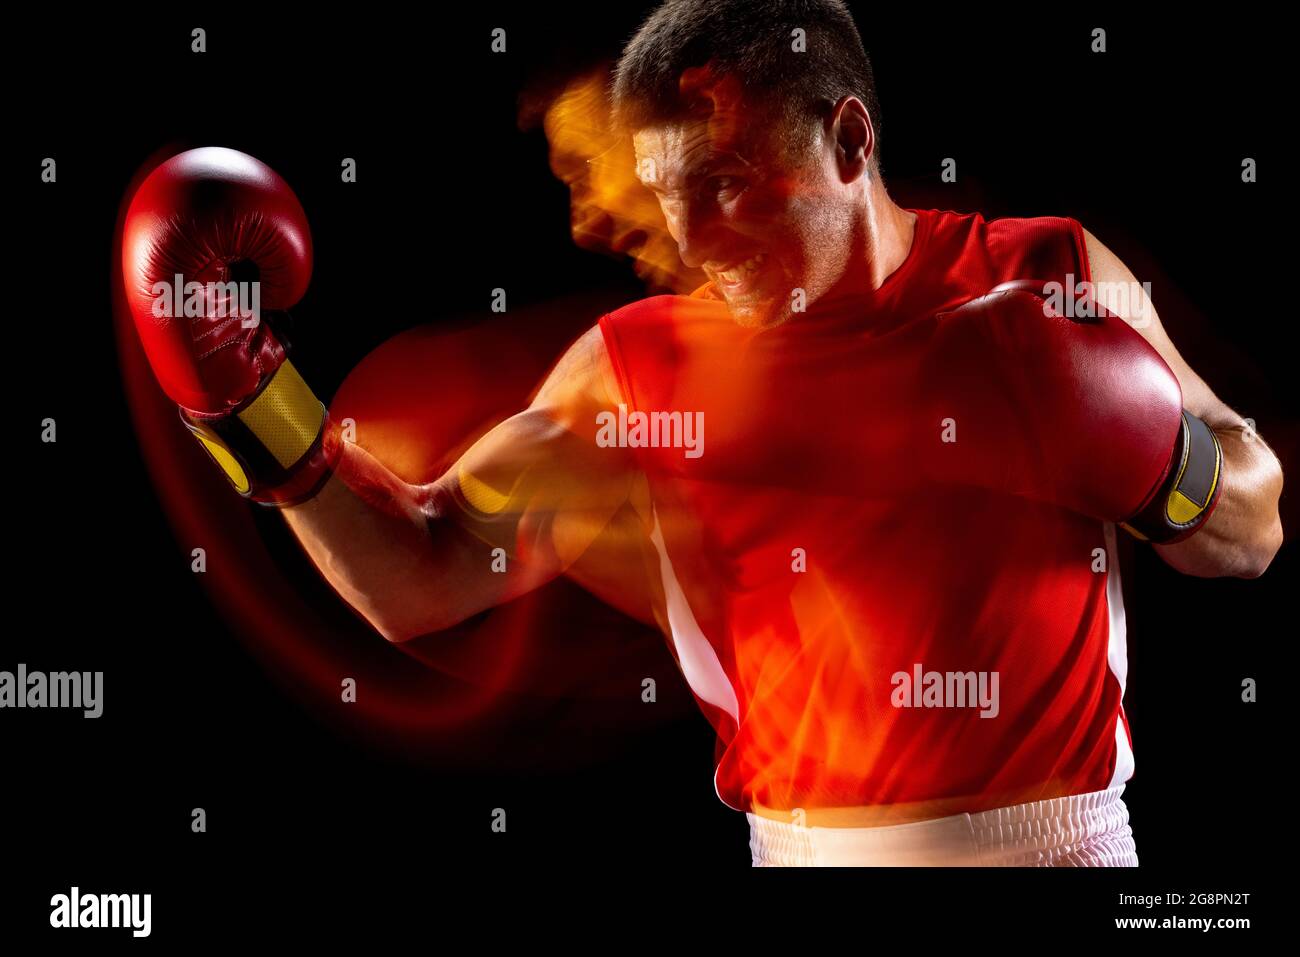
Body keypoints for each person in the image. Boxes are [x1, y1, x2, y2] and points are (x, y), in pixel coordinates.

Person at [122, 0, 1283, 866]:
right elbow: (421, 570)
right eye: (671, 195)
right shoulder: (642, 368)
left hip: (1062, 853)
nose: (694, 237)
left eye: (726, 183)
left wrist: (1154, 454)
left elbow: (1253, 521)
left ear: (849, 140)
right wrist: (244, 409)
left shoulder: (1047, 271)